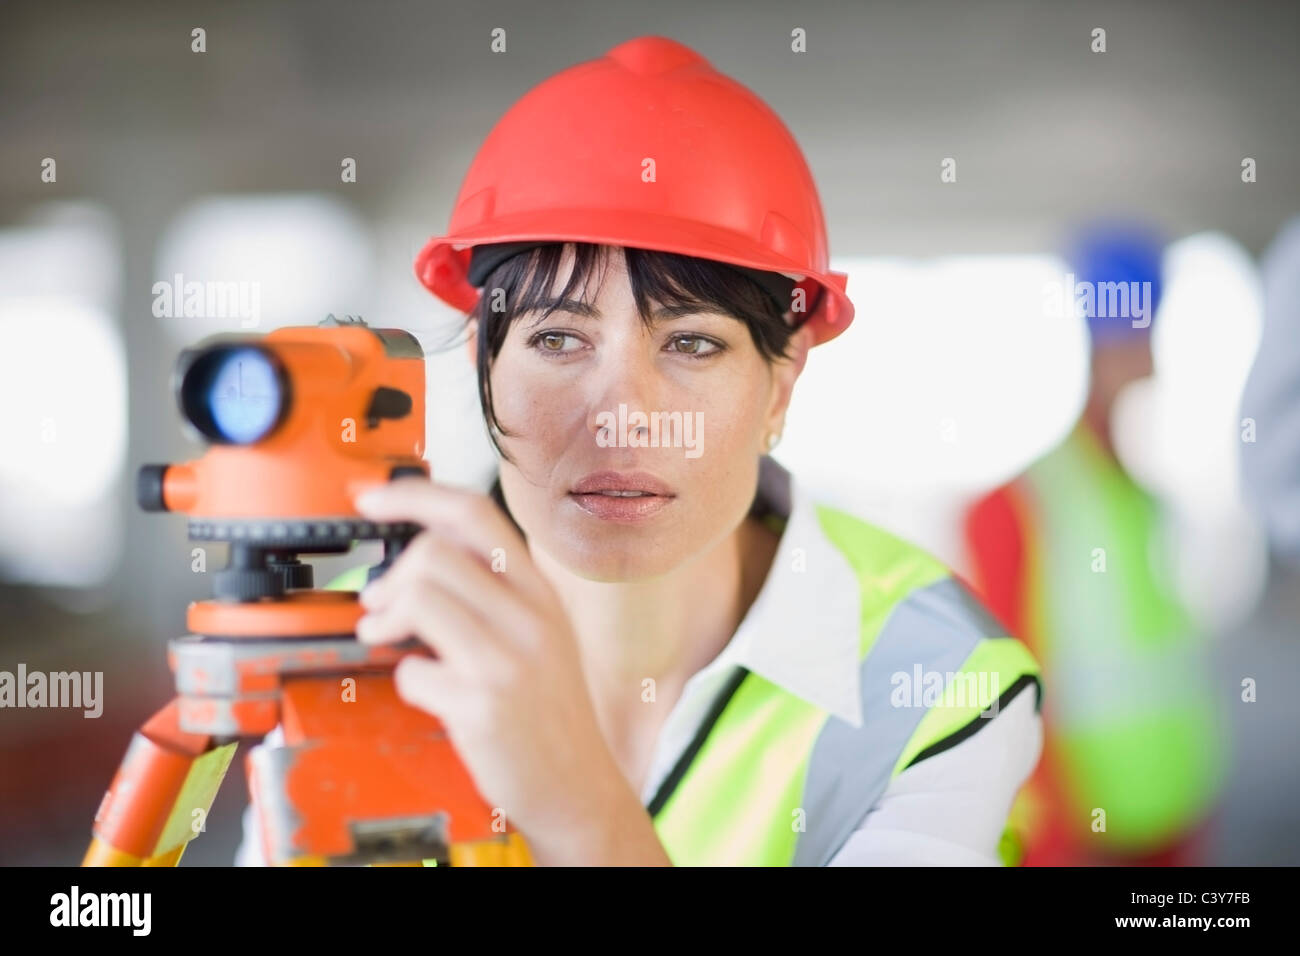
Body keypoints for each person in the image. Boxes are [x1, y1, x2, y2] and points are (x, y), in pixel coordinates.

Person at [236, 35, 1042, 867]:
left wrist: (576, 807)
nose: (620, 419)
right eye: (555, 339)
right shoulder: (352, 641)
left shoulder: (939, 680)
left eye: (692, 345)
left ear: (783, 379)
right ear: (483, 359)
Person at [964, 222, 1226, 866]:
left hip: (1170, 823)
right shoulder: (1013, 508)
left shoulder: (1141, 499)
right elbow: (1008, 699)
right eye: (1134, 339)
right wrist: (1054, 847)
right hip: (1086, 843)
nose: (1150, 360)